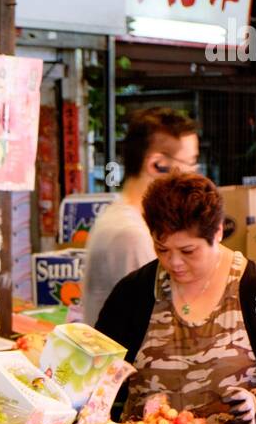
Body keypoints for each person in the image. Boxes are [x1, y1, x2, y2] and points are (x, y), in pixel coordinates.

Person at [95, 173, 256, 424]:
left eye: (188, 251)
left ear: (218, 232)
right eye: (162, 249)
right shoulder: (135, 292)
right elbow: (98, 373)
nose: (174, 262)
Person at [82, 107, 199, 326]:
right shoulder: (130, 233)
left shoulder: (134, 221)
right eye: (190, 163)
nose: (195, 174)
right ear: (157, 164)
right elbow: (154, 322)